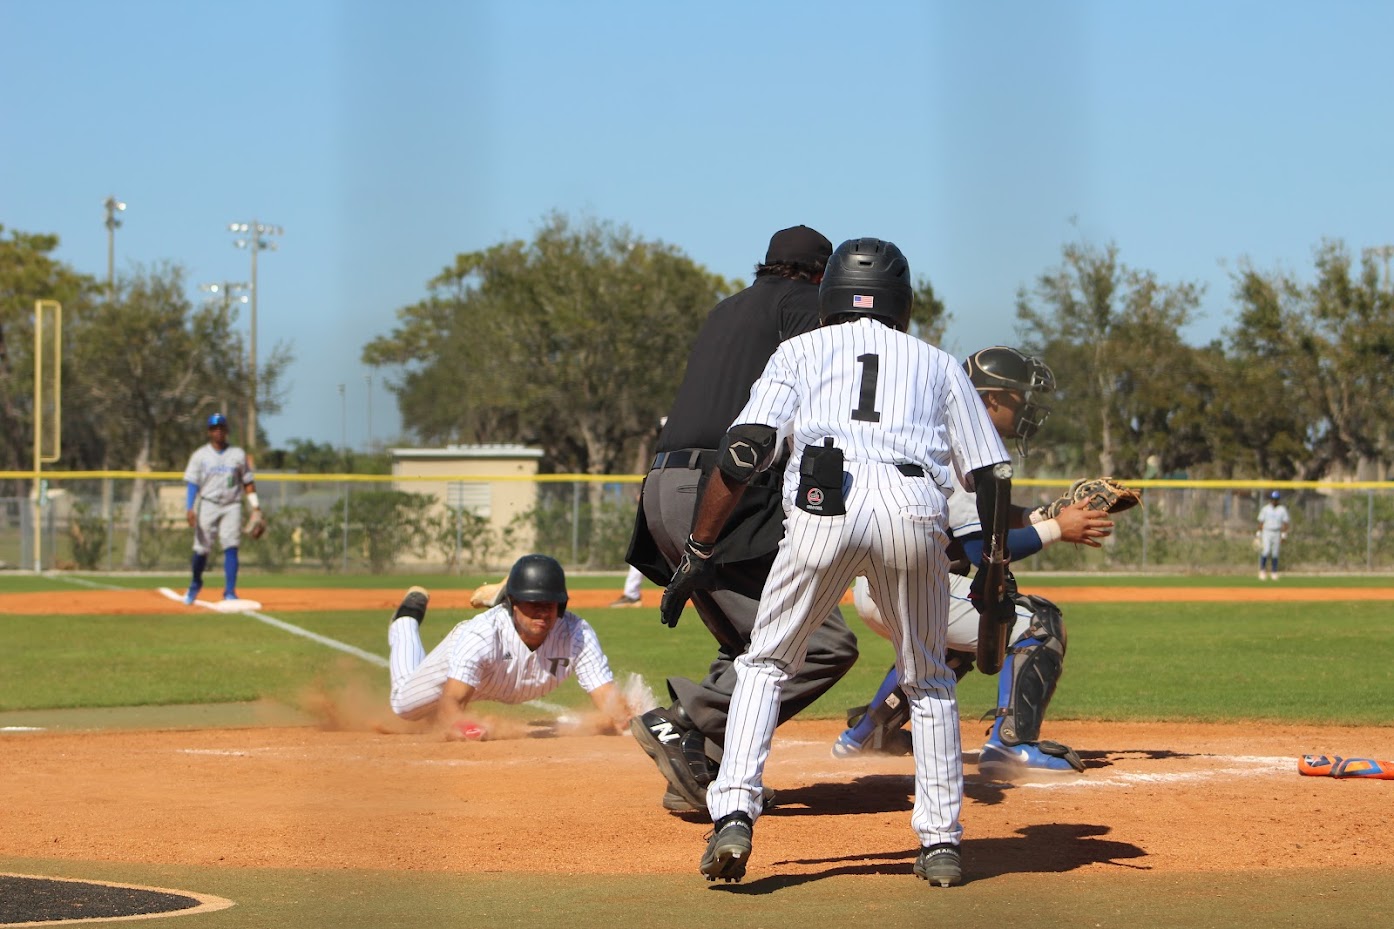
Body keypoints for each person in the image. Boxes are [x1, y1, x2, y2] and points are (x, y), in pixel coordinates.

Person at [660, 237, 1013, 887]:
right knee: (929, 679)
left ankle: (734, 810)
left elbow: (744, 451)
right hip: (912, 511)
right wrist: (994, 561)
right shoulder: (936, 363)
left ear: (830, 297)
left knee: (765, 663)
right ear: (900, 302)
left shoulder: (798, 350)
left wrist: (700, 548)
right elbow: (991, 470)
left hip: (824, 507)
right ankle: (938, 842)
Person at [624, 224, 859, 814]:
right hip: (720, 490)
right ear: (819, 274)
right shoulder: (805, 304)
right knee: (819, 643)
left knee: (746, 644)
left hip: (664, 487)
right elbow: (822, 393)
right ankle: (684, 722)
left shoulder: (724, 311)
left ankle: (699, 775)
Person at [834, 347, 1115, 778]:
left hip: (885, 583)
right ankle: (1013, 746)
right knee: (1037, 623)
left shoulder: (937, 431)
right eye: (1020, 400)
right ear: (991, 400)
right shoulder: (960, 445)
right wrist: (1060, 529)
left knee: (954, 645)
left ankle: (868, 736)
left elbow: (989, 517)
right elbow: (978, 550)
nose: (1027, 411)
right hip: (906, 584)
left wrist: (1046, 515)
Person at [387, 553, 631, 736]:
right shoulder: (479, 635)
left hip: (498, 672)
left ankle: (516, 585)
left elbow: (606, 695)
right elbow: (451, 703)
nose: (542, 612)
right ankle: (405, 620)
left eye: (549, 603)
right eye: (533, 602)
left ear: (562, 605)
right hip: (470, 664)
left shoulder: (578, 634)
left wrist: (625, 718)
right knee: (403, 707)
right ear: (514, 603)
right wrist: (464, 725)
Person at [181, 412, 260, 604]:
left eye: (221, 427)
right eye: (214, 428)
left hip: (232, 505)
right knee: (201, 549)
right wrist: (189, 508)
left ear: (227, 430)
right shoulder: (200, 455)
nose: (218, 431)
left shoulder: (238, 455)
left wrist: (256, 507)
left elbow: (248, 482)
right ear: (209, 431)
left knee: (231, 546)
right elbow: (192, 484)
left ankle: (230, 592)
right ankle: (195, 583)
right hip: (208, 504)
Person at [1257, 490, 1291, 580]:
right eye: (1273, 499)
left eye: (1276, 499)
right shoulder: (1266, 509)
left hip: (1277, 531)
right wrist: (1259, 533)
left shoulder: (1282, 509)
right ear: (1270, 499)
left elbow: (1285, 523)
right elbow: (1261, 521)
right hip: (1267, 531)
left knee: (1275, 553)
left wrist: (1284, 535)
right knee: (1266, 550)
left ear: (1278, 500)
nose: (1274, 501)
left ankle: (1274, 572)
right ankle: (1262, 570)